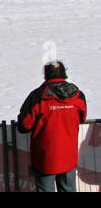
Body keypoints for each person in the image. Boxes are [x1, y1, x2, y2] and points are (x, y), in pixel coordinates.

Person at [16, 61, 87, 192]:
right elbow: (82, 117)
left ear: (46, 74)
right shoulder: (77, 96)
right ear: (64, 73)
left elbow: (24, 125)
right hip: (69, 155)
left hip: (45, 157)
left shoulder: (38, 96)